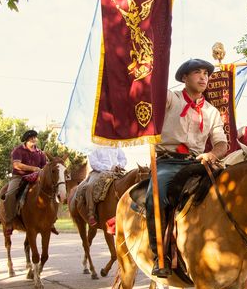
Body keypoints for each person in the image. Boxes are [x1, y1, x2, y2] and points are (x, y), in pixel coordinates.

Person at [147, 58, 229, 277]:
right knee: (157, 195)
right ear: (184, 78)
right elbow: (152, 90)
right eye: (197, 73)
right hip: (168, 161)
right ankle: (160, 255)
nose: (204, 77)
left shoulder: (212, 112)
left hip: (198, 163)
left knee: (232, 188)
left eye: (206, 73)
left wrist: (212, 154)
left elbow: (222, 143)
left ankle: (241, 244)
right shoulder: (170, 98)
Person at [2, 130, 47, 231]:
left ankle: (50, 220)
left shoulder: (40, 153)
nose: (34, 140)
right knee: (10, 194)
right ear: (26, 140)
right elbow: (16, 165)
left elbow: (44, 167)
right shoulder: (18, 150)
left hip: (36, 177)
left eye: (35, 138)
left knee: (49, 191)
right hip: (19, 177)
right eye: (32, 138)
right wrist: (33, 168)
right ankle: (9, 221)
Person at [79, 146, 127, 226]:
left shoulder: (114, 144)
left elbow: (123, 158)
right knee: (90, 186)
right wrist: (108, 168)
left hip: (116, 171)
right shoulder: (94, 145)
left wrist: (119, 165)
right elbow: (94, 163)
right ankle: (91, 214)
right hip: (98, 172)